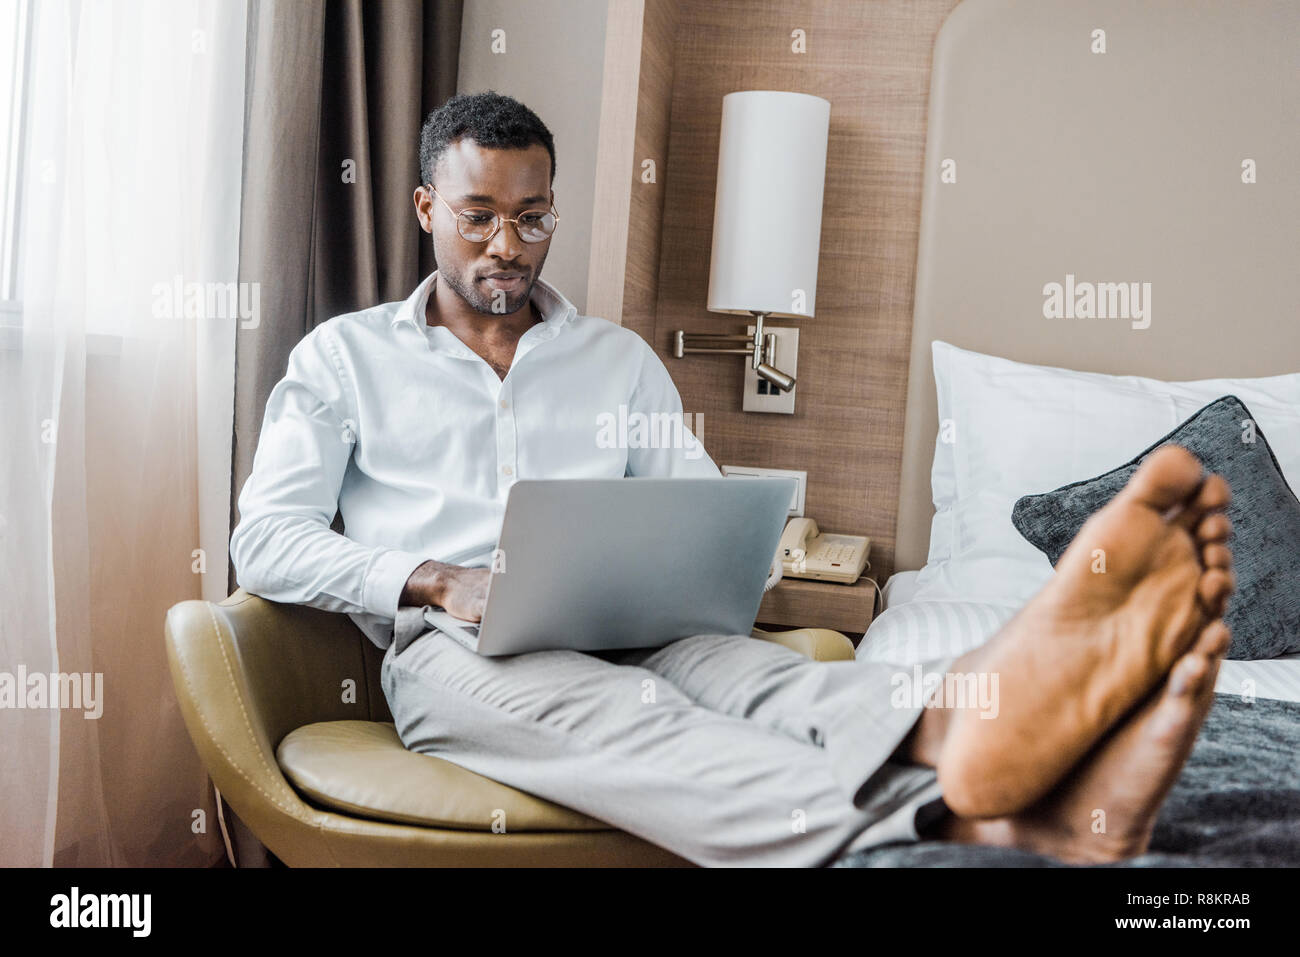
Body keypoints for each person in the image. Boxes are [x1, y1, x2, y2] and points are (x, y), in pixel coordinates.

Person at [230, 91, 1235, 867]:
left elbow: (692, 496)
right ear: (424, 208)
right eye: (478, 217)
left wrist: (721, 561)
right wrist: (438, 580)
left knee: (781, 680)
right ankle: (956, 831)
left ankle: (969, 733)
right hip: (452, 649)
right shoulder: (344, 358)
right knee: (639, 722)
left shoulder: (614, 359)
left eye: (532, 218)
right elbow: (264, 539)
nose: (507, 246)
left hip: (639, 629)